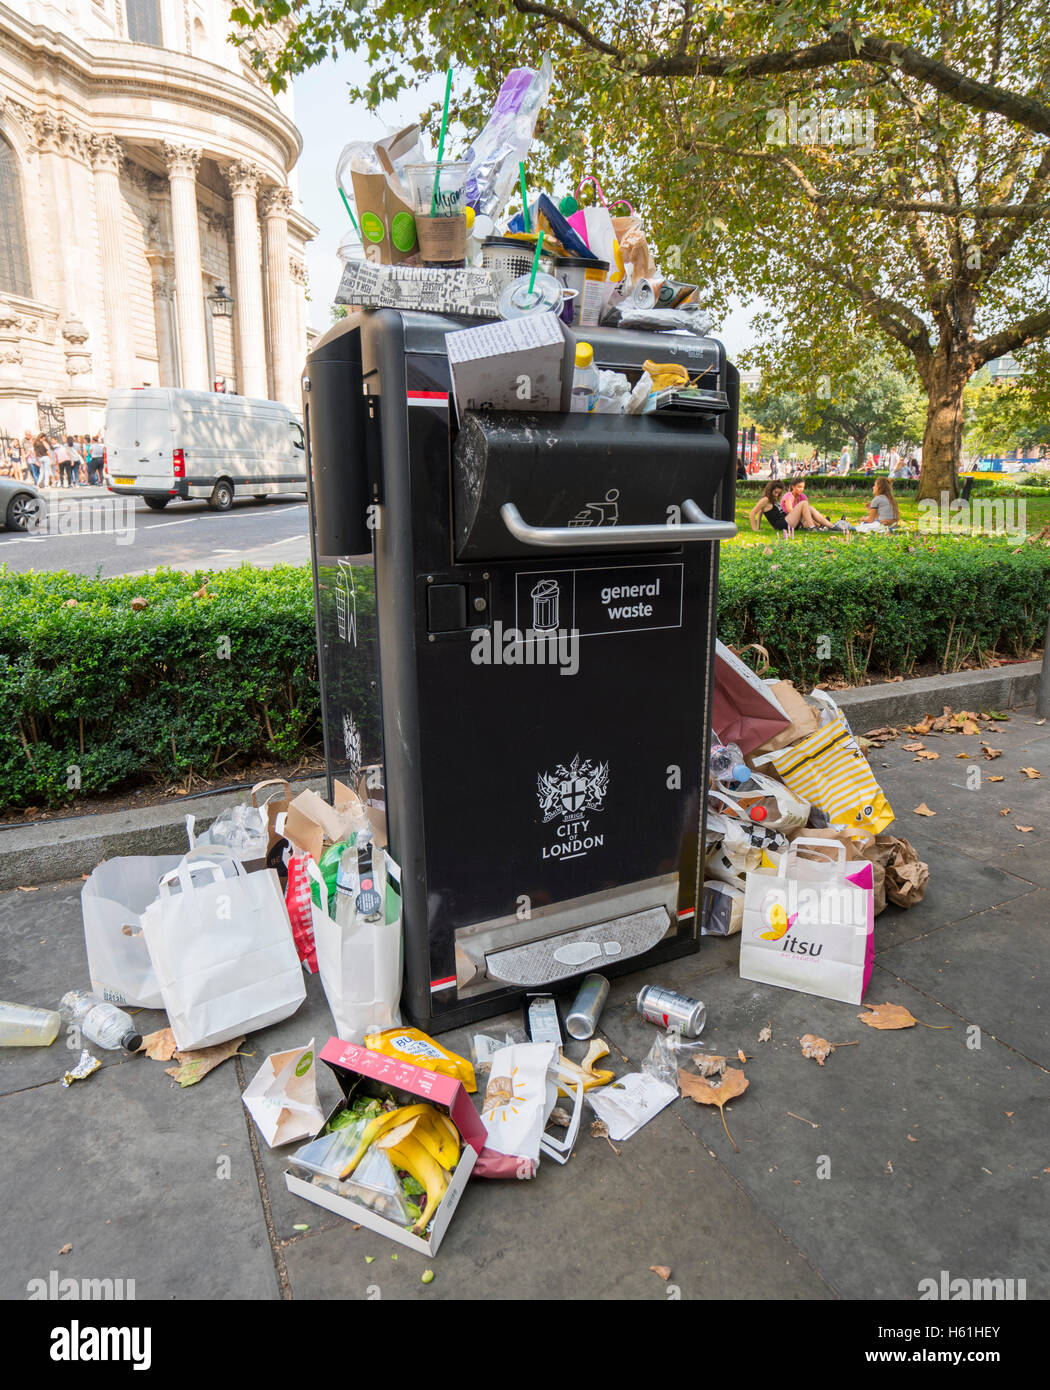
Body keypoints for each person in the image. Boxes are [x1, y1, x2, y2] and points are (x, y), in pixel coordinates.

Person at [749, 480, 835, 534]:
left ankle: (831, 526)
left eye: (779, 493)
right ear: (770, 490)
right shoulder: (765, 499)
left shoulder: (772, 500)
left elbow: (760, 514)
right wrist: (755, 529)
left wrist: (758, 527)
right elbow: (753, 513)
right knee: (804, 503)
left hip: (786, 521)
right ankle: (812, 527)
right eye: (775, 492)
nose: (777, 495)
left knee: (809, 508)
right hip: (782, 524)